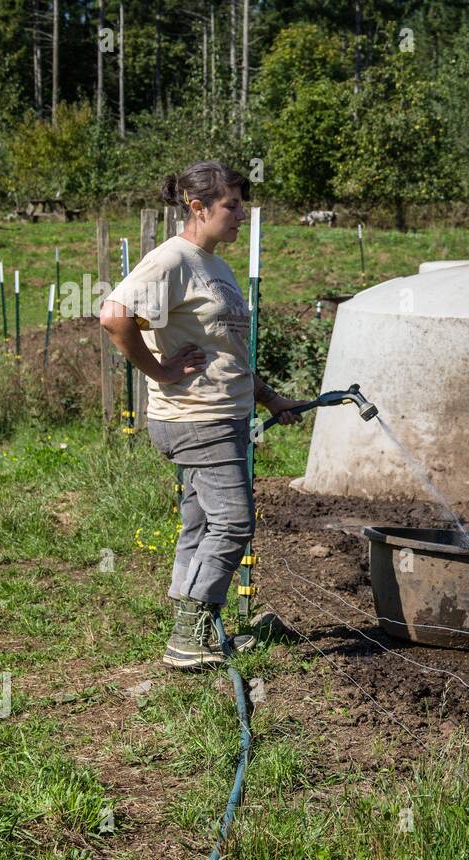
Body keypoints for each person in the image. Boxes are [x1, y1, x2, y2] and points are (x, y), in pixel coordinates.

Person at [100, 160, 307, 669]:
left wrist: (269, 397)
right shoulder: (172, 259)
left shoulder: (215, 263)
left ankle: (194, 627)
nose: (241, 215)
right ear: (198, 208)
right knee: (233, 524)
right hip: (196, 416)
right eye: (231, 205)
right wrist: (159, 371)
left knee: (200, 522)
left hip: (225, 413)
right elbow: (113, 316)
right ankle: (188, 635)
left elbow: (226, 349)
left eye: (242, 204)